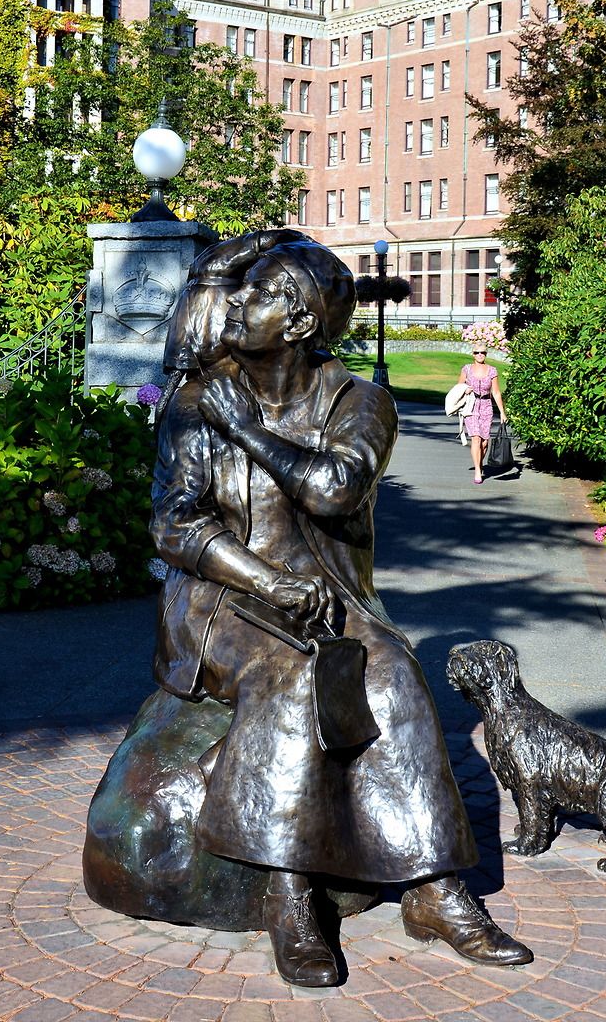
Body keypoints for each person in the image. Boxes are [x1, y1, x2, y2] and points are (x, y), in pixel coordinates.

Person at [146, 235, 531, 983]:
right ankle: (288, 896)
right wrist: (265, 582)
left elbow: (334, 490)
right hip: (223, 599)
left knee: (394, 676)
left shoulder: (361, 402)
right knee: (292, 674)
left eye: (257, 295)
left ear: (297, 322)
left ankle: (435, 889)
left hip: (330, 597)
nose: (236, 305)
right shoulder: (195, 400)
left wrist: (248, 432)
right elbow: (175, 524)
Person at [459, 347, 507, 484]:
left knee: (485, 441)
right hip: (471, 406)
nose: (480, 355)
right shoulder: (466, 369)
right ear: (473, 354)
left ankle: (479, 463)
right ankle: (478, 471)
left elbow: (496, 392)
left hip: (486, 405)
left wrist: (502, 412)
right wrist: (466, 389)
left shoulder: (492, 370)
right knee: (476, 438)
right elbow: (458, 387)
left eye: (482, 353)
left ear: (486, 354)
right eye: (476, 352)